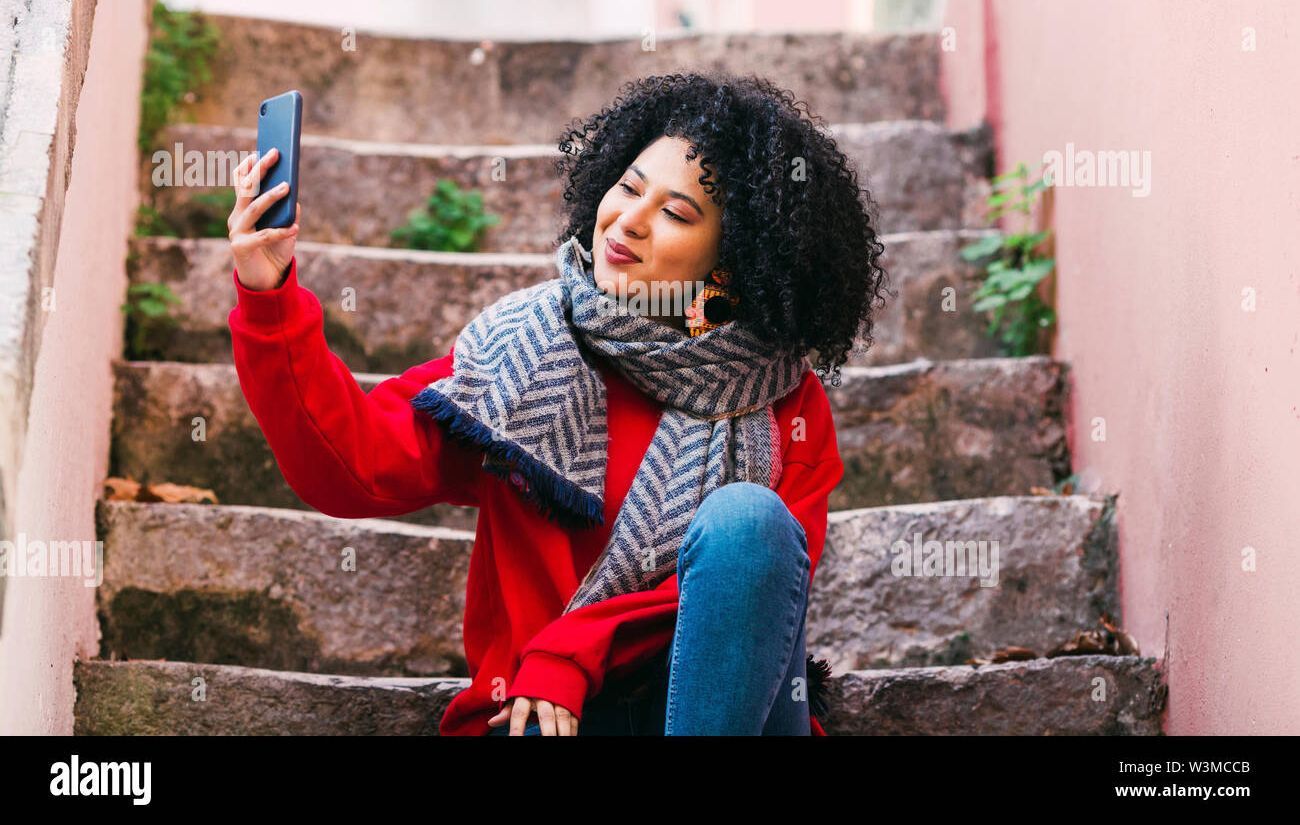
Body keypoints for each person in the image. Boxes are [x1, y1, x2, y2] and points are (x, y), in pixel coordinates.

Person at [227, 70, 887, 735]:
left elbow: (760, 577)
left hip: (722, 709)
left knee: (749, 523)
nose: (628, 219)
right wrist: (269, 295)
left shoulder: (784, 405)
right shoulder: (522, 351)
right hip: (544, 715)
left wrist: (573, 650)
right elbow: (355, 466)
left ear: (731, 264)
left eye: (675, 213)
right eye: (628, 187)